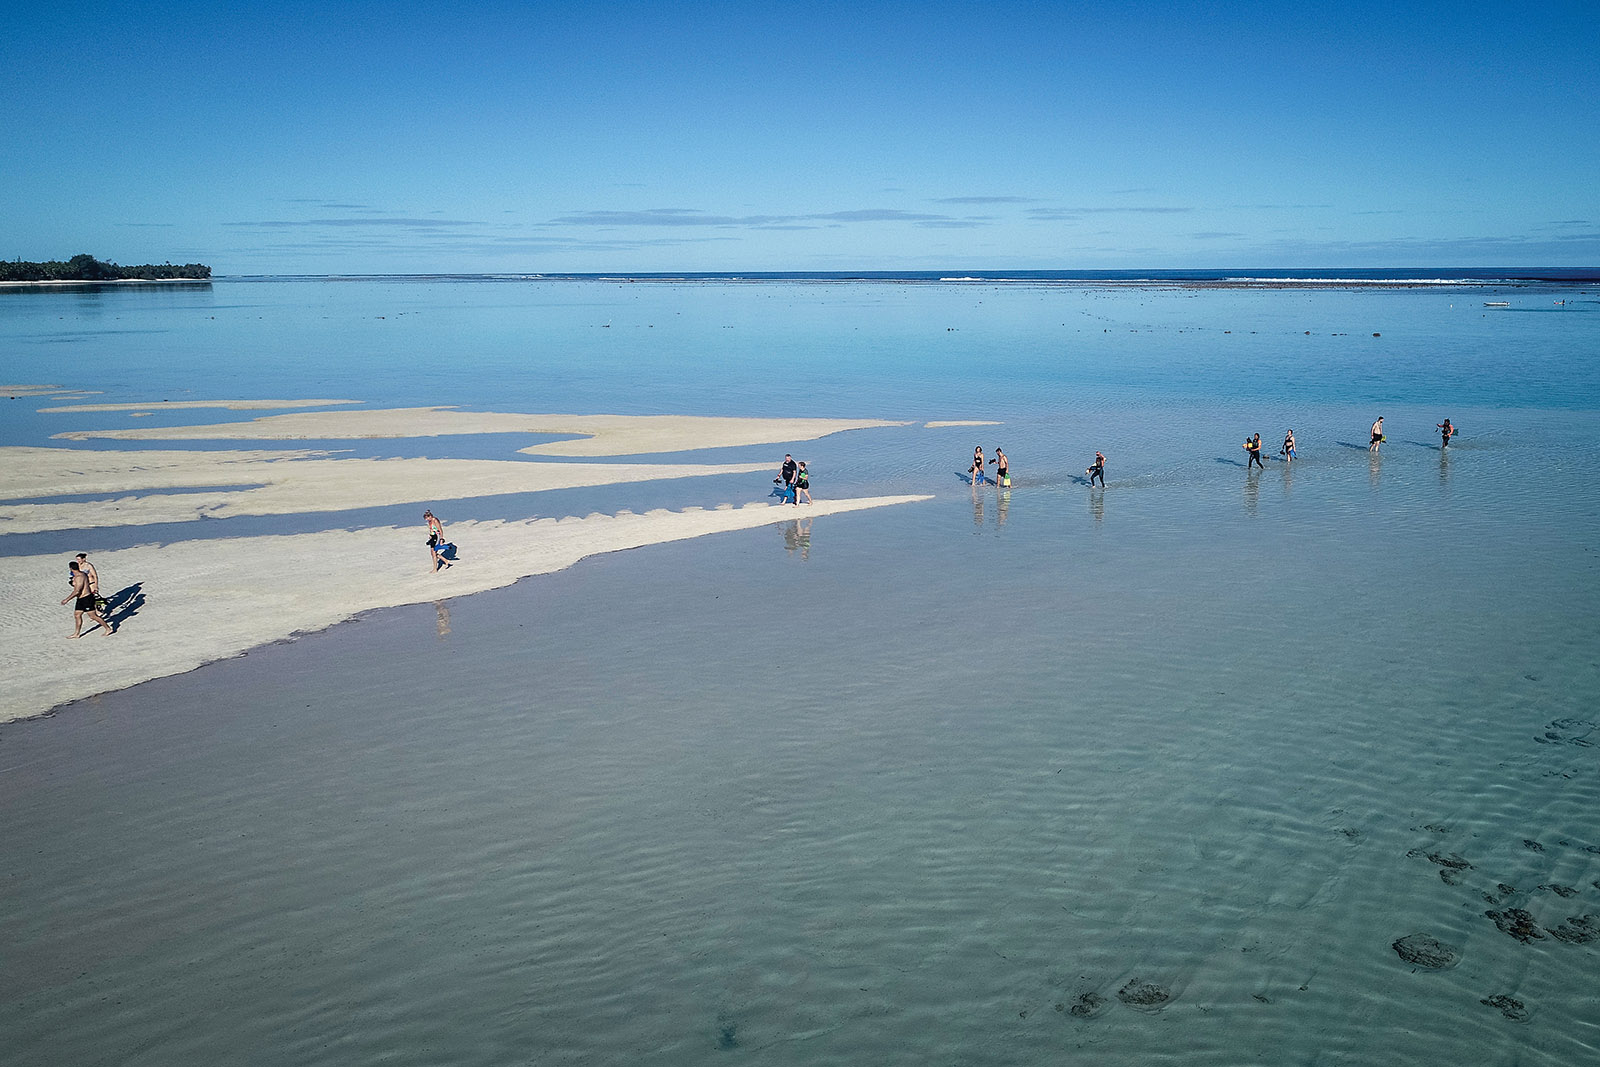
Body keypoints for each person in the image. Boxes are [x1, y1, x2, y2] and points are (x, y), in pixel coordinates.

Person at [61, 560, 111, 637]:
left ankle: (108, 628)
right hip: (80, 599)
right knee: (77, 614)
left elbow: (77, 591)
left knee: (93, 616)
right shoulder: (80, 575)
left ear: (71, 568)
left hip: (86, 598)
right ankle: (77, 633)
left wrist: (67, 599)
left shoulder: (79, 577)